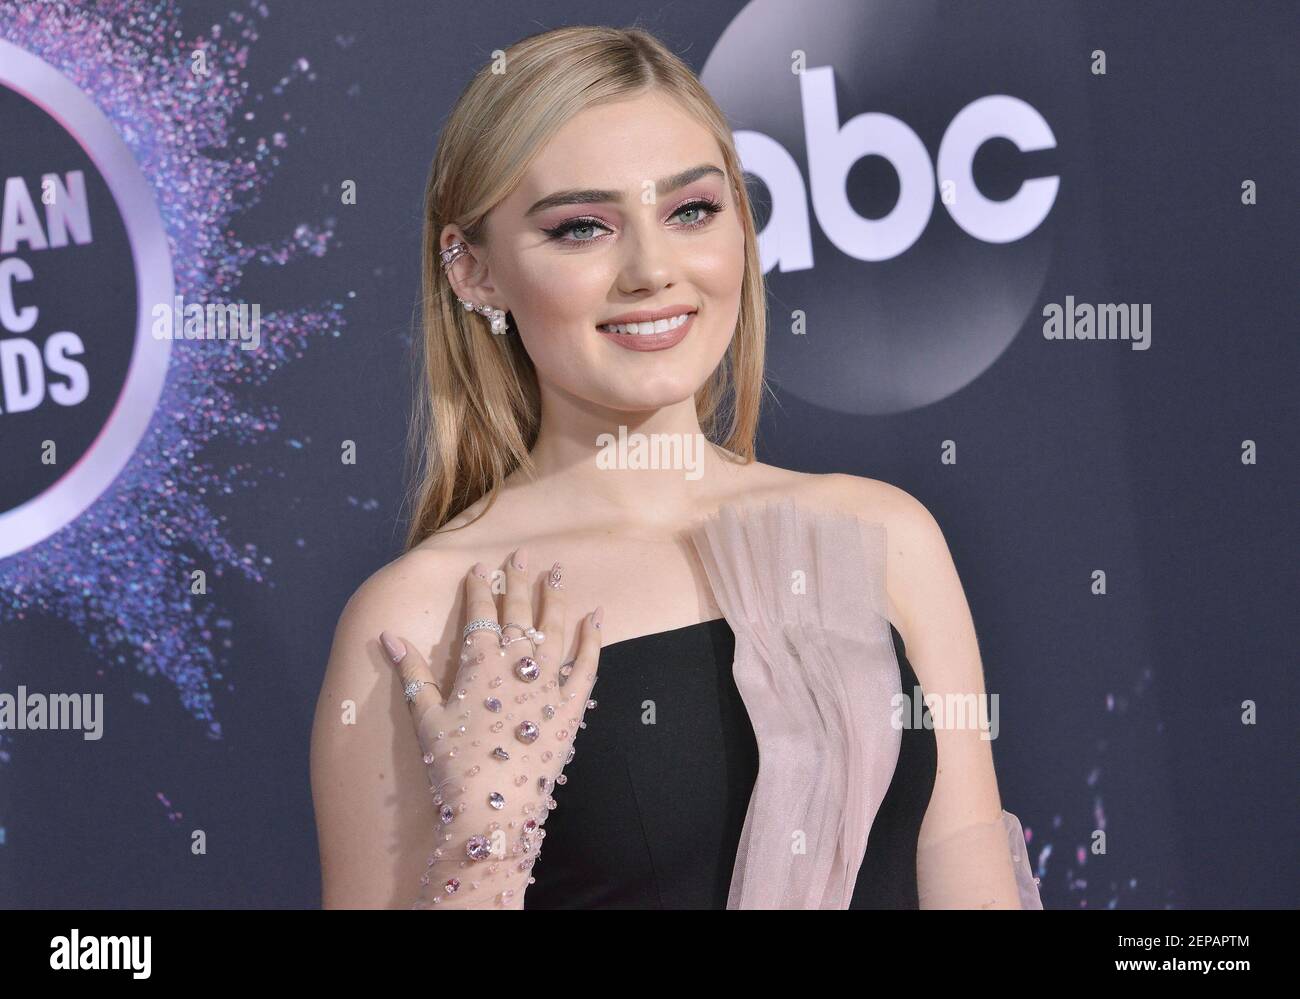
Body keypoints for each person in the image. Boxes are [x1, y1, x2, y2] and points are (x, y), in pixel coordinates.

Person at [309, 24, 1042, 910]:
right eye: (582, 228)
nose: (652, 270)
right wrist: (483, 851)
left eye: (691, 210)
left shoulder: (884, 535)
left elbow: (972, 880)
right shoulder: (425, 613)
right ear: (473, 272)